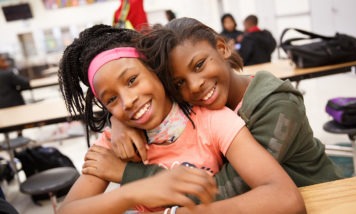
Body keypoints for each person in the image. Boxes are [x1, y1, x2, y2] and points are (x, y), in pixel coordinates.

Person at [58, 24, 304, 213]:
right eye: (111, 99)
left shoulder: (211, 119)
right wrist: (131, 194)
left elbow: (286, 198)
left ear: (155, 70)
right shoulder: (115, 143)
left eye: (132, 80)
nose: (128, 101)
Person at [108, 17, 343, 189]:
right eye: (179, 82)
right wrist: (119, 120)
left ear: (222, 48)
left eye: (199, 65)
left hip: (321, 197)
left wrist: (132, 175)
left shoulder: (278, 106)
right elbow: (146, 97)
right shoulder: (197, 104)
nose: (194, 86)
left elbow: (229, 186)